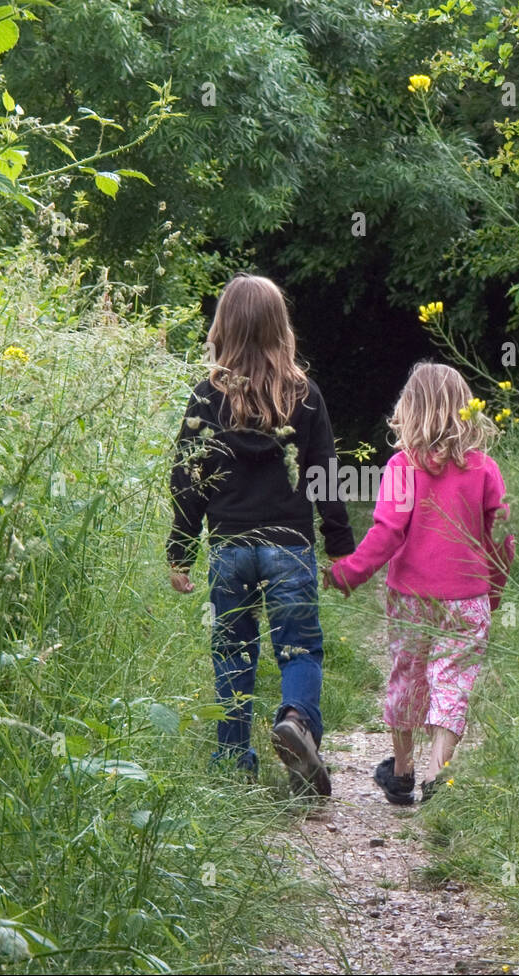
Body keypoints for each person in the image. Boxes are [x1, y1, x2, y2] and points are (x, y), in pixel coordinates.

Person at [166, 274, 355, 795]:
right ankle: (297, 722)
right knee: (299, 651)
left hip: (229, 549)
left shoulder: (206, 397)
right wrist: (339, 546)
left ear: (224, 326)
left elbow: (187, 477)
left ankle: (232, 759)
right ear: (280, 325)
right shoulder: (305, 394)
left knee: (232, 650)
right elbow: (325, 475)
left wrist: (180, 550)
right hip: (289, 549)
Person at [323, 362, 510, 804]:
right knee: (453, 681)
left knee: (407, 677)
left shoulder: (402, 467)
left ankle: (403, 771)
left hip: (410, 597)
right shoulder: (485, 469)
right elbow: (502, 538)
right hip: (467, 597)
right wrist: (495, 589)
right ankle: (436, 773)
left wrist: (348, 572)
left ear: (410, 409)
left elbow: (387, 532)